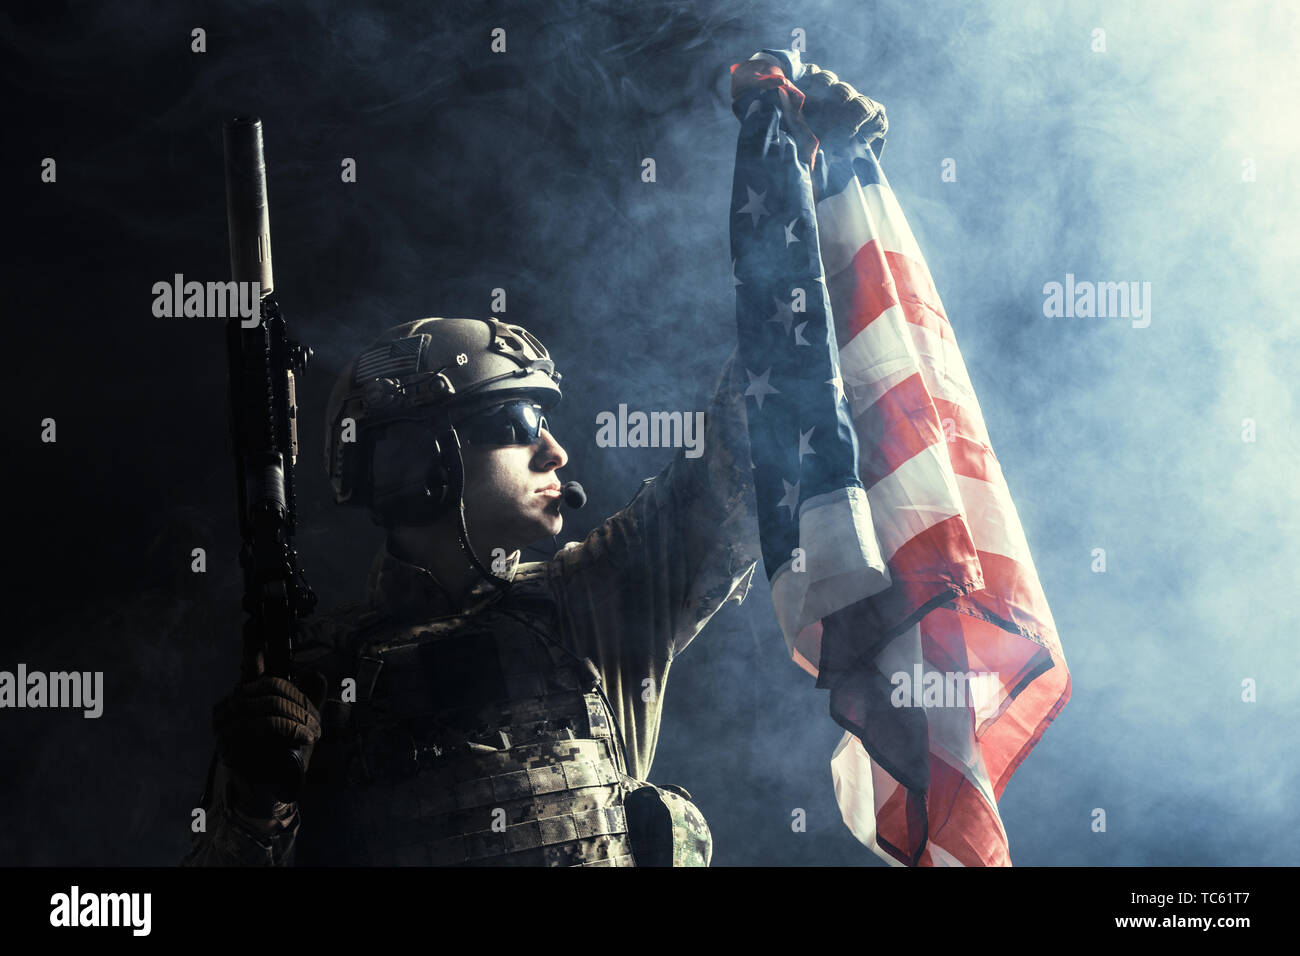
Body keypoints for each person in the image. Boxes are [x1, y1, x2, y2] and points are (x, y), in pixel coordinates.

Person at [183, 59, 886, 867]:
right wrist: (255, 804)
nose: (555, 449)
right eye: (516, 423)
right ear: (419, 457)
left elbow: (749, 431)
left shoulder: (599, 601)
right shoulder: (310, 680)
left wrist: (815, 189)